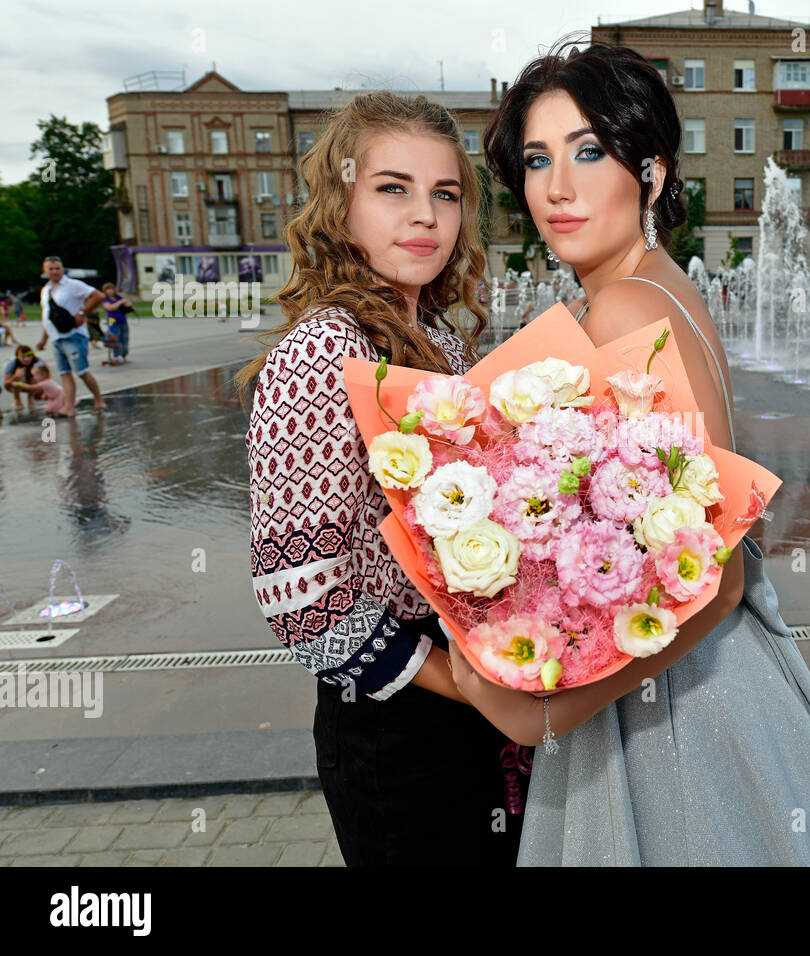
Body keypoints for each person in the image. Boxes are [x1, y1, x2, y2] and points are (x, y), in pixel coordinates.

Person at [477, 39, 810, 866]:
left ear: (654, 172)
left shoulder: (622, 311)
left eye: (589, 151)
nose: (556, 188)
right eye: (537, 160)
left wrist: (552, 710)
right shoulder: (666, 283)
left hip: (666, 703)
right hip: (714, 674)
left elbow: (718, 577)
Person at [236, 92, 523, 867]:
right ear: (341, 203)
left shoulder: (440, 341)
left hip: (476, 693)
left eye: (446, 193)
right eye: (392, 188)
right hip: (397, 719)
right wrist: (461, 685)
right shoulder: (321, 353)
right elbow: (299, 594)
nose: (424, 214)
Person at [34, 256, 106, 416]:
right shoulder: (45, 290)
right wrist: (44, 339)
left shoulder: (72, 285)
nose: (54, 271)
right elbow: (49, 317)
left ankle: (99, 400)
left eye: (57, 268)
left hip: (73, 336)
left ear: (62, 269)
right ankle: (69, 407)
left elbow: (98, 296)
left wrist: (82, 313)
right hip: (56, 338)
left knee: (81, 371)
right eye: (51, 269)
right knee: (64, 373)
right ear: (45, 271)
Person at [4, 344, 66, 415]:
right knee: (19, 379)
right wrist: (15, 377)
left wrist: (45, 391)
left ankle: (31, 398)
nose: (27, 359)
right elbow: (6, 383)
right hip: (19, 385)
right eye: (23, 356)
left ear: (33, 355)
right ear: (17, 357)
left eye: (29, 356)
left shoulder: (38, 362)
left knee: (33, 379)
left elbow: (47, 377)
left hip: (35, 385)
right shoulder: (12, 364)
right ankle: (17, 399)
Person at [100, 282, 131, 365]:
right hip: (113, 322)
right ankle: (116, 356)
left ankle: (124, 355)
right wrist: (120, 302)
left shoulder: (118, 297)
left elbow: (128, 304)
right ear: (105, 291)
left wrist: (123, 302)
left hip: (123, 320)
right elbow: (110, 308)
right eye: (108, 289)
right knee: (115, 339)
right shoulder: (105, 300)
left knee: (125, 338)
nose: (110, 291)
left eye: (112, 289)